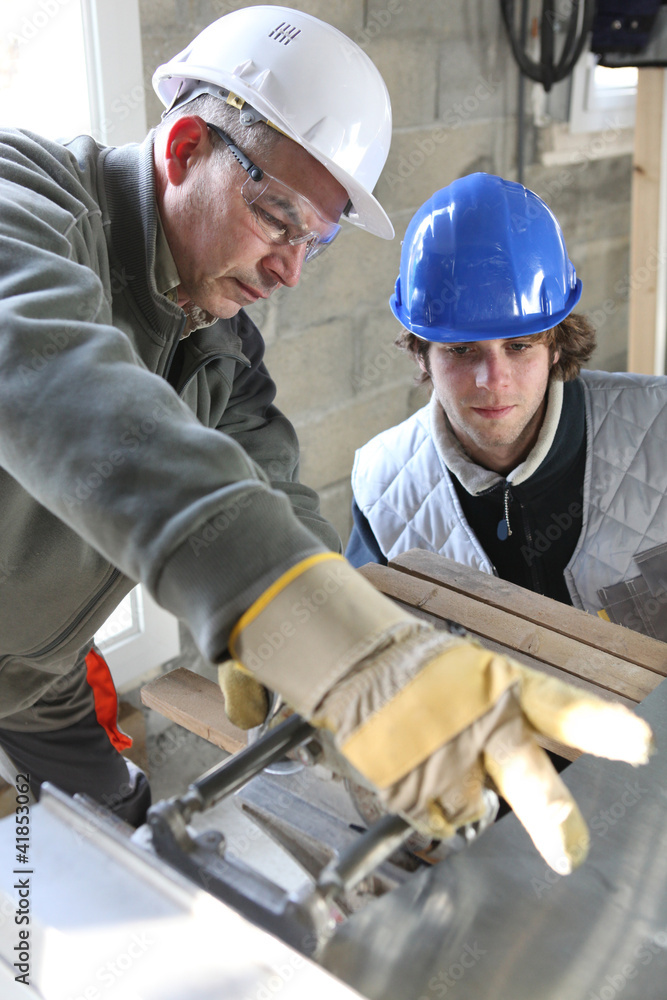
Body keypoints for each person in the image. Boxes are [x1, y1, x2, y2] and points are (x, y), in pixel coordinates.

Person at [0, 7, 651, 872]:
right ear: (186, 145)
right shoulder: (25, 206)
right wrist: (317, 635)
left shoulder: (217, 338)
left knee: (142, 863)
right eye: (277, 219)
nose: (290, 270)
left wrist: (319, 646)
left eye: (320, 238)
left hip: (30, 688)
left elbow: (269, 484)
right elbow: (63, 389)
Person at [347, 172, 667, 643]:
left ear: (556, 346)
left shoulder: (657, 427)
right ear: (422, 353)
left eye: (518, 346)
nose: (493, 379)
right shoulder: (383, 485)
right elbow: (367, 656)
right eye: (461, 350)